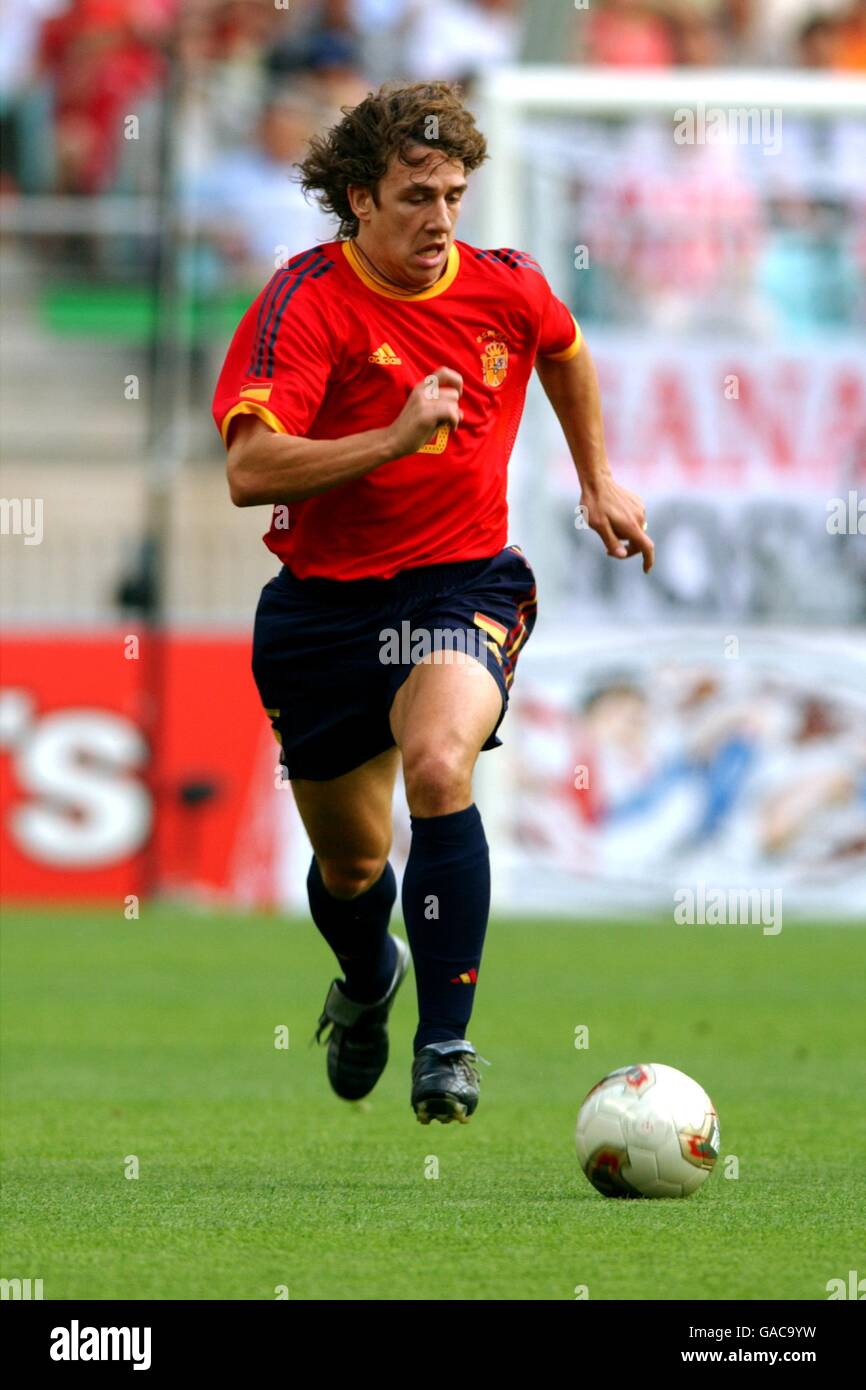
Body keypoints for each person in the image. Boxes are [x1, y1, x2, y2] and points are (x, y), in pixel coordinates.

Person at [212, 81, 653, 1125]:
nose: (440, 217)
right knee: (352, 863)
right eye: (416, 195)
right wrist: (393, 439)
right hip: (322, 610)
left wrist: (595, 479)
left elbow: (563, 349)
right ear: (358, 198)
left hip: (461, 582)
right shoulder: (304, 300)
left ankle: (445, 1043)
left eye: (454, 193)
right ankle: (369, 982)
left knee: (440, 762)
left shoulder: (502, 287)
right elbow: (249, 468)